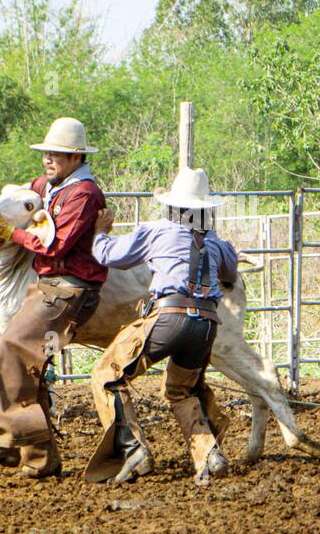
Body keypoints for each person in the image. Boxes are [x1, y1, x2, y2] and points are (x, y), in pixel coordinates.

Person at [0, 117, 107, 479]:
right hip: (48, 287)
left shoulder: (84, 194)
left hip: (71, 288)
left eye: (56, 154)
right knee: (30, 366)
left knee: (10, 343)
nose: (48, 159)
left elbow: (55, 244)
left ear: (76, 158)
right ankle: (41, 459)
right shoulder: (52, 185)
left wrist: (11, 233)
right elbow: (21, 195)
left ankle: (3, 440)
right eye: (46, 153)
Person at [83, 166, 239, 486]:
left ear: (173, 205)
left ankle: (132, 449)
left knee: (108, 373)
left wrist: (99, 233)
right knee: (180, 391)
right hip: (206, 325)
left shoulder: (156, 231)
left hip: (169, 317)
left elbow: (111, 255)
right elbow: (230, 275)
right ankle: (208, 452)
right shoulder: (217, 242)